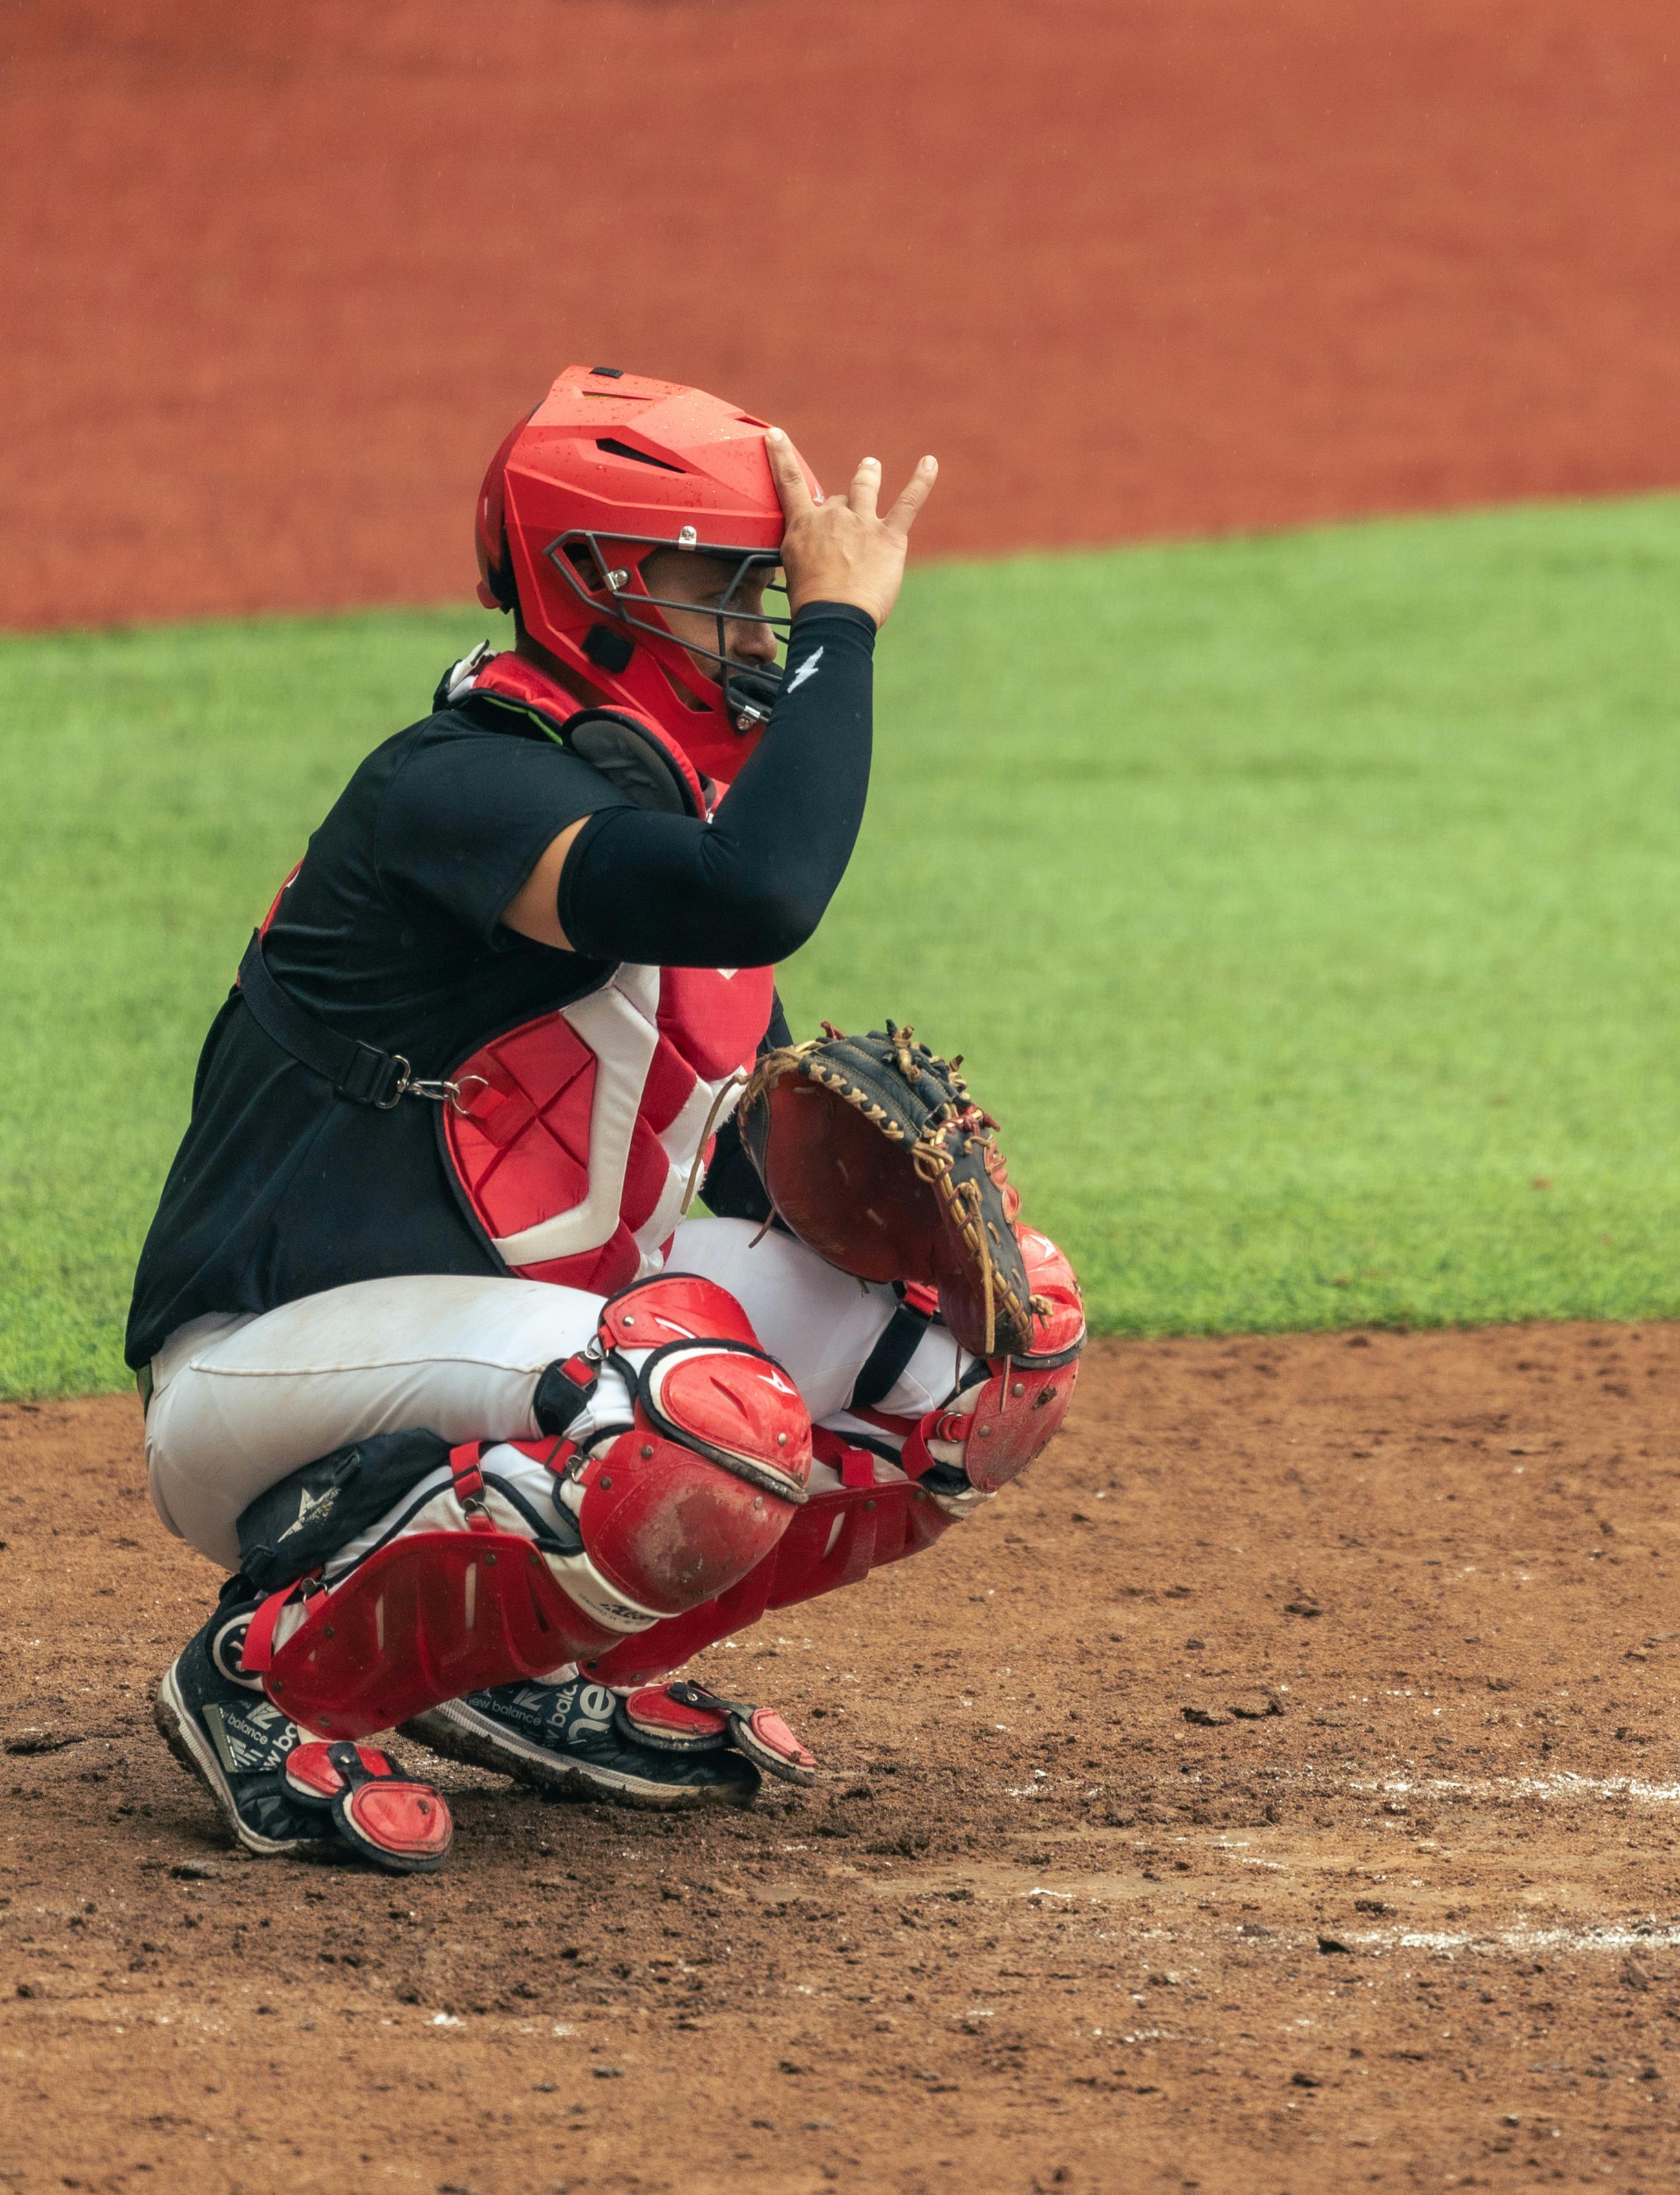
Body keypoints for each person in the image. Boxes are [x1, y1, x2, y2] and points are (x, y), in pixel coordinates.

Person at [123, 365, 1081, 1872]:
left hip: (518, 1358)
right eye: (725, 583)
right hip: (272, 1371)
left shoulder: (667, 829)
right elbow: (760, 887)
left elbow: (750, 1158)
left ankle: (527, 1669)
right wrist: (849, 630)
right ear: (593, 583)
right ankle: (270, 1676)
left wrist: (884, 1218)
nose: (760, 626)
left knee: (970, 1355)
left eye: (773, 597)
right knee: (688, 1413)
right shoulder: (453, 790)